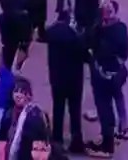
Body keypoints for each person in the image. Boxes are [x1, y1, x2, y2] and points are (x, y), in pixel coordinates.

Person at [87, 0, 128, 157]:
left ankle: (107, 145)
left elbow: (92, 45)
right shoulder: (121, 27)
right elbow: (124, 53)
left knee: (105, 109)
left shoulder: (102, 30)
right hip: (117, 74)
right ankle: (117, 129)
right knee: (115, 99)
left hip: (104, 75)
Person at [46, 9, 86, 154]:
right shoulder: (75, 37)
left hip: (57, 78)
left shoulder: (52, 33)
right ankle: (76, 140)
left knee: (58, 108)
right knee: (75, 110)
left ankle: (57, 139)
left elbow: (45, 34)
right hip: (74, 79)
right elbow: (85, 54)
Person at [0, 76, 54, 160]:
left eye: (22, 92)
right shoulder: (8, 115)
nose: (18, 95)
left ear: (29, 95)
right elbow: (2, 139)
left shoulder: (35, 115)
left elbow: (40, 145)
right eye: (16, 91)